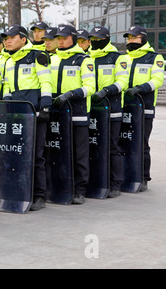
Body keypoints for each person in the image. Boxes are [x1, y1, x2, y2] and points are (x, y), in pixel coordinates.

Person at [1, 24, 53, 211]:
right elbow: (7, 86)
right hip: (15, 115)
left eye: (11, 37)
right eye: (5, 38)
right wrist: (6, 105)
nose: (7, 40)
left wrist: (46, 106)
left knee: (36, 156)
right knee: (16, 154)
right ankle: (19, 192)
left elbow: (46, 82)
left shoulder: (37, 57)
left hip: (34, 114)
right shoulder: (9, 61)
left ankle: (39, 195)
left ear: (23, 39)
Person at [51, 24, 95, 204]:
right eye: (58, 38)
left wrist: (71, 94)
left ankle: (80, 190)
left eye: (64, 37)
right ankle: (58, 188)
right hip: (56, 115)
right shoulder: (51, 59)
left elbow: (90, 86)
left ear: (73, 38)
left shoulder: (84, 60)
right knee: (56, 153)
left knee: (79, 154)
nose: (60, 41)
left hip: (77, 115)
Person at [122, 25, 165, 191]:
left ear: (143, 38)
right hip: (125, 107)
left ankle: (144, 177)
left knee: (141, 143)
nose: (130, 41)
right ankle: (126, 175)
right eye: (129, 38)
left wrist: (141, 88)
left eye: (134, 37)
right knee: (124, 142)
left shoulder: (154, 58)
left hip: (144, 109)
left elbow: (157, 80)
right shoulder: (124, 58)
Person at [89, 26, 130, 198]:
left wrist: (107, 90)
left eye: (99, 39)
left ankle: (115, 183)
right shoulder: (88, 57)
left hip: (111, 110)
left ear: (107, 39)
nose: (95, 42)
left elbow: (123, 82)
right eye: (93, 39)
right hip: (92, 110)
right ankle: (97, 181)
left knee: (112, 147)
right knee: (93, 147)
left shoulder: (117, 58)